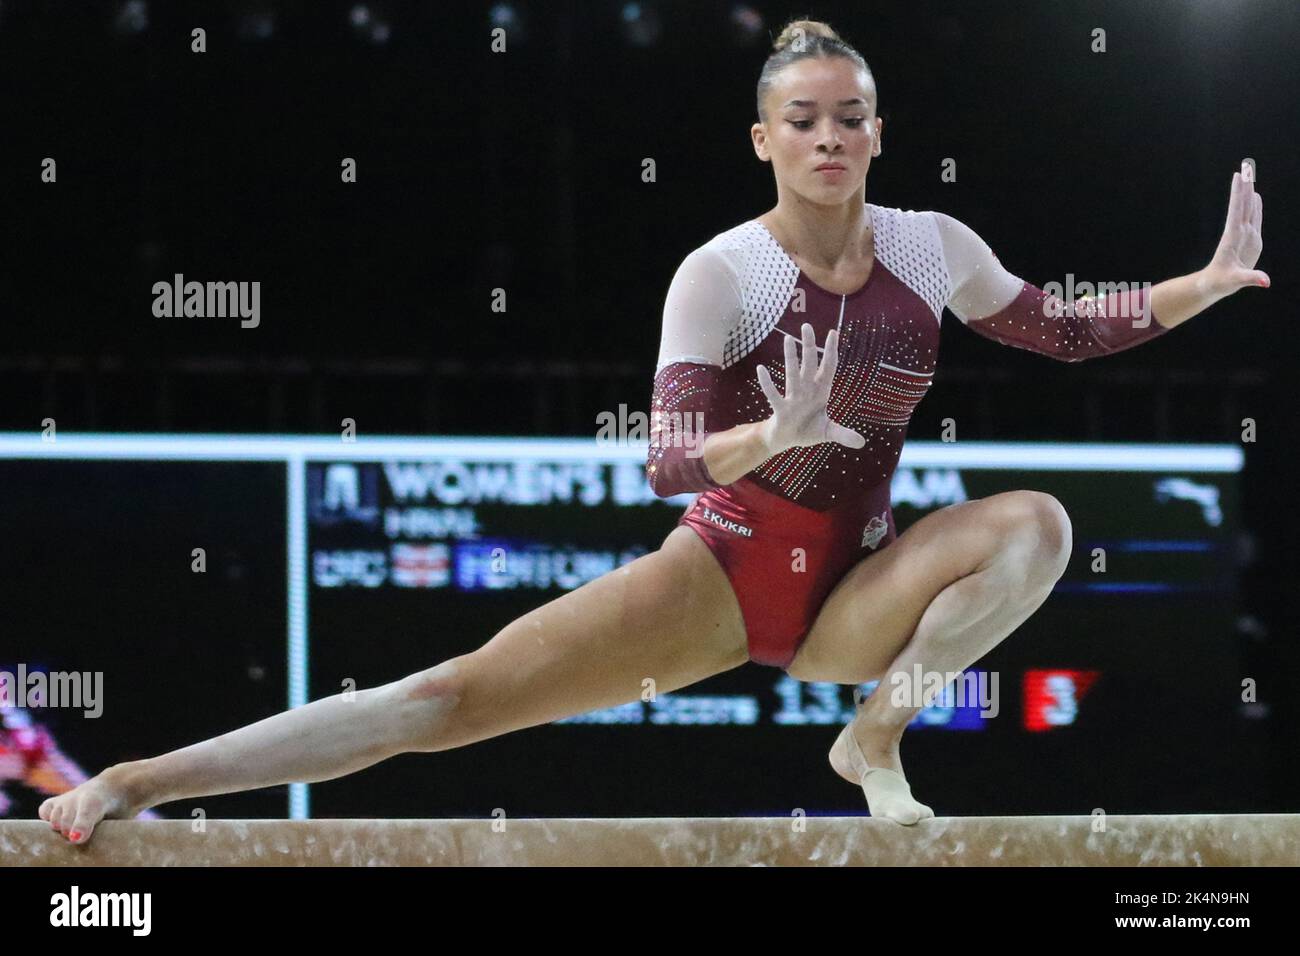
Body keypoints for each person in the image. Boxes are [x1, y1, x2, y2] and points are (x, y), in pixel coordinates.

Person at [39, 17, 1267, 843]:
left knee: (1038, 524)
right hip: (722, 574)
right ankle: (140, 778)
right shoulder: (721, 272)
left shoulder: (929, 247)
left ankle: (875, 731)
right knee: (442, 699)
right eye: (802, 117)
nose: (829, 135)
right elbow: (666, 456)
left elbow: (1056, 325)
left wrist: (1190, 288)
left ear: (879, 133)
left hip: (860, 588)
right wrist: (769, 435)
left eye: (850, 115)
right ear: (763, 139)